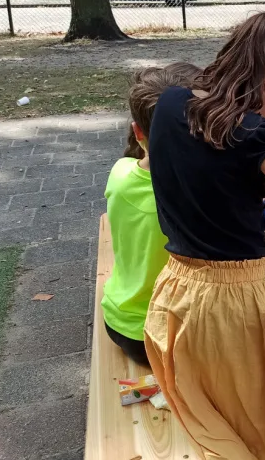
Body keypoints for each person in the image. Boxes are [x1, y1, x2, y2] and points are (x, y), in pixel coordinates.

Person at [145, 12, 265, 460]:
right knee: (264, 434)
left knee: (212, 422)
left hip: (176, 293)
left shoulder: (169, 104)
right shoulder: (256, 134)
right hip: (229, 310)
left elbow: (207, 180)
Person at [102, 62, 201, 367]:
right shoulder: (197, 195)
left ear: (137, 131)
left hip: (118, 320)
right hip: (163, 335)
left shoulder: (120, 172)